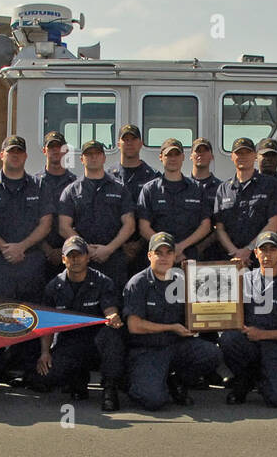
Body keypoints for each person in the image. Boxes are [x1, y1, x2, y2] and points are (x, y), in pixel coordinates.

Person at [122, 232, 222, 410]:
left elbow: (206, 308)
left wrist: (234, 272)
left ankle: (175, 380)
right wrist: (172, 327)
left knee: (212, 354)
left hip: (175, 346)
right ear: (149, 255)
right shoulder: (137, 284)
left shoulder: (183, 280)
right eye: (158, 253)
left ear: (175, 256)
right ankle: (136, 381)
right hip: (147, 350)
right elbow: (135, 326)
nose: (164, 257)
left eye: (168, 252)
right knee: (153, 401)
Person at [33, 235, 126, 412]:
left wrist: (113, 316)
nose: (75, 259)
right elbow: (47, 324)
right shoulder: (53, 287)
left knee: (112, 336)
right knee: (46, 376)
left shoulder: (103, 281)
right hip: (70, 342)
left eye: (79, 255)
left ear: (87, 257)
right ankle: (76, 379)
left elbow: (110, 308)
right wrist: (45, 353)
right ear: (63, 259)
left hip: (97, 341)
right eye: (70, 255)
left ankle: (110, 389)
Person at [220, 230, 277, 407]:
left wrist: (264, 335)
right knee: (229, 339)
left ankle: (259, 378)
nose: (267, 255)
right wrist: (228, 273)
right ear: (256, 253)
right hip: (250, 342)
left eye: (272, 250)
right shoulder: (244, 279)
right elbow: (221, 306)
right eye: (263, 250)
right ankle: (245, 378)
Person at [0, 134, 53, 301]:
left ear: (25, 156)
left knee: (33, 318)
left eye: (19, 152)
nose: (15, 155)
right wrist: (5, 249)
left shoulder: (39, 186)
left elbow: (46, 224)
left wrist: (22, 247)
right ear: (2, 155)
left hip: (31, 263)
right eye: (11, 152)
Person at [57, 140, 136, 290]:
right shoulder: (71, 191)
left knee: (115, 305)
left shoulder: (120, 188)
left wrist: (109, 249)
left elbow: (129, 224)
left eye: (97, 154)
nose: (93, 157)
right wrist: (86, 250)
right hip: (81, 261)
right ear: (82, 159)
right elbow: (63, 226)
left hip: (113, 258)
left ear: (104, 158)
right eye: (89, 154)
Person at [212, 137, 277, 267]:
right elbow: (219, 228)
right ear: (232, 156)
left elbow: (274, 223)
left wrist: (249, 249)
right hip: (231, 260)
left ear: (255, 156)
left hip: (261, 259)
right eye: (239, 153)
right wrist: (235, 253)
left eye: (247, 153)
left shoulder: (270, 185)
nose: (243, 156)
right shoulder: (223, 188)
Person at [136, 138, 212, 262]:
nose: (173, 159)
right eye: (168, 155)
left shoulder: (197, 189)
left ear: (183, 157)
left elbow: (206, 226)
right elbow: (144, 228)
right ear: (161, 157)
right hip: (159, 258)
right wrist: (167, 248)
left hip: (189, 256)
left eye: (176, 154)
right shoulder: (150, 190)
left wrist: (181, 247)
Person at [109, 123, 159, 271]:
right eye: (125, 139)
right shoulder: (108, 176)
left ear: (141, 143)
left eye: (133, 139)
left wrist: (140, 244)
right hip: (115, 249)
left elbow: (158, 215)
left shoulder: (153, 176)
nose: (129, 143)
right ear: (119, 144)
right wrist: (120, 243)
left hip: (146, 248)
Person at [38, 131, 77, 278]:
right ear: (44, 150)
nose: (55, 150)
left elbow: (80, 220)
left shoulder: (75, 184)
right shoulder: (34, 183)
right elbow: (29, 221)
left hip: (72, 253)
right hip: (39, 253)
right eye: (51, 147)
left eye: (59, 147)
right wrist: (48, 250)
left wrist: (64, 249)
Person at [190, 137, 223, 260]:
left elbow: (222, 224)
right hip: (185, 251)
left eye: (205, 151)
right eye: (198, 151)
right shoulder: (183, 186)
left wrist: (202, 246)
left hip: (213, 252)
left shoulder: (222, 189)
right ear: (190, 156)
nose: (201, 154)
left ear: (212, 156)